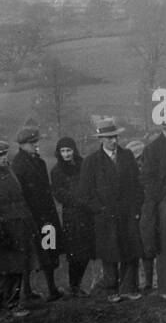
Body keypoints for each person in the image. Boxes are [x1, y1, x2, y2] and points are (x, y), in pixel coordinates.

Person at [76, 118, 144, 302]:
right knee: (110, 254)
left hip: (128, 214)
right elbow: (84, 194)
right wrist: (100, 210)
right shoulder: (91, 162)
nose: (113, 141)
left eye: (114, 137)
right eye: (108, 138)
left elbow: (137, 185)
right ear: (100, 139)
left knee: (130, 252)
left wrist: (136, 208)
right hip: (106, 217)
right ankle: (111, 290)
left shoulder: (127, 155)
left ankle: (128, 288)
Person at [11, 118, 63, 302]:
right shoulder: (17, 165)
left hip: (46, 214)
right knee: (30, 254)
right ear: (23, 145)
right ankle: (27, 290)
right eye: (32, 143)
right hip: (31, 216)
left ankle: (52, 289)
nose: (36, 146)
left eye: (36, 142)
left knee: (50, 251)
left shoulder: (39, 163)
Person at [138, 115, 166, 299]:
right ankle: (165, 288)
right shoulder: (153, 149)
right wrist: (162, 197)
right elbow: (147, 179)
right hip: (164, 204)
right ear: (163, 129)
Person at [49, 137, 95, 297]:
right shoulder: (56, 171)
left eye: (69, 150)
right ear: (59, 152)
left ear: (74, 150)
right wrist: (77, 200)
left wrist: (87, 200)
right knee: (75, 252)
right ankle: (74, 285)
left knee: (87, 250)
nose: (66, 154)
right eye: (63, 151)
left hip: (87, 213)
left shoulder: (83, 165)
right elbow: (58, 193)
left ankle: (79, 283)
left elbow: (90, 183)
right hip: (72, 214)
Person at [0, 140, 36, 316]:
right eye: (0, 155)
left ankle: (13, 301)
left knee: (18, 265)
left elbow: (19, 198)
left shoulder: (9, 172)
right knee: (7, 268)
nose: (3, 158)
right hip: (4, 227)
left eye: (4, 154)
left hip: (19, 225)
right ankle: (9, 304)